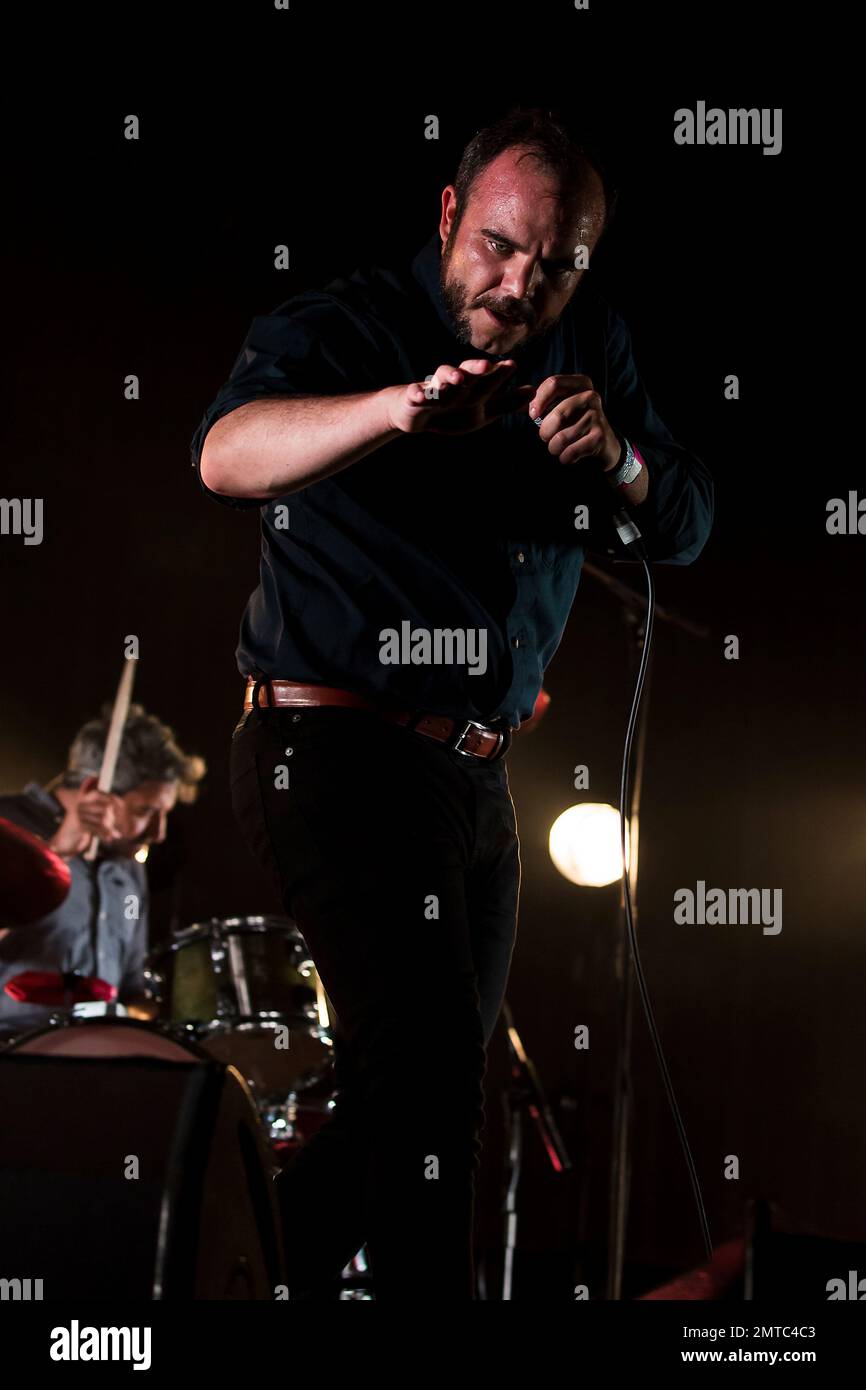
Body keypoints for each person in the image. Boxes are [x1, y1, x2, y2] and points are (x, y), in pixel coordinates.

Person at [191, 106, 713, 1300]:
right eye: (498, 245)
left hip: (472, 782)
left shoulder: (590, 342)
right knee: (426, 1099)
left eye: (557, 261)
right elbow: (225, 456)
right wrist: (394, 409)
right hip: (329, 751)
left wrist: (616, 456)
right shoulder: (343, 325)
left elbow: (681, 519)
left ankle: (210, 1281)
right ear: (447, 215)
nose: (521, 283)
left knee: (405, 1097)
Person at [0, 703, 205, 1039]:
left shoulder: (129, 869)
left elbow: (129, 990)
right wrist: (56, 853)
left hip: (98, 1062)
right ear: (95, 791)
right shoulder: (7, 825)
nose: (159, 833)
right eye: (146, 811)